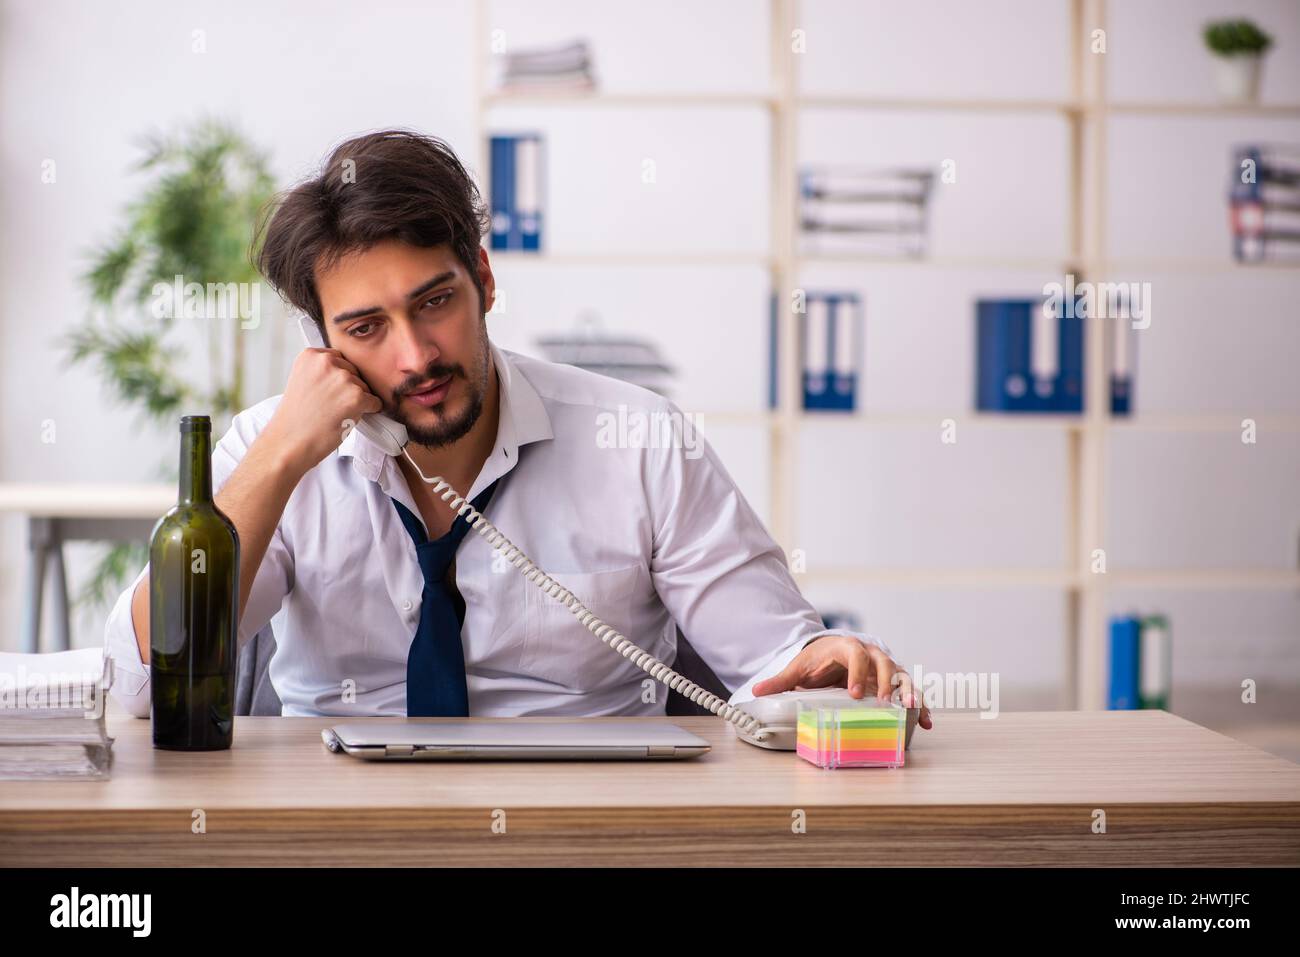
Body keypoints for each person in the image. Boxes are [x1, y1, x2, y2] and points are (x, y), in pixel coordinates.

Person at [103, 128, 932, 731]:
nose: (417, 353)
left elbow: (780, 669)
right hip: (341, 828)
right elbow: (140, 684)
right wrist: (283, 457)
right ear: (323, 345)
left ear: (485, 280)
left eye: (435, 301)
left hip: (588, 830)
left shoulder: (639, 442)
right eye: (366, 329)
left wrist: (834, 668)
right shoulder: (275, 449)